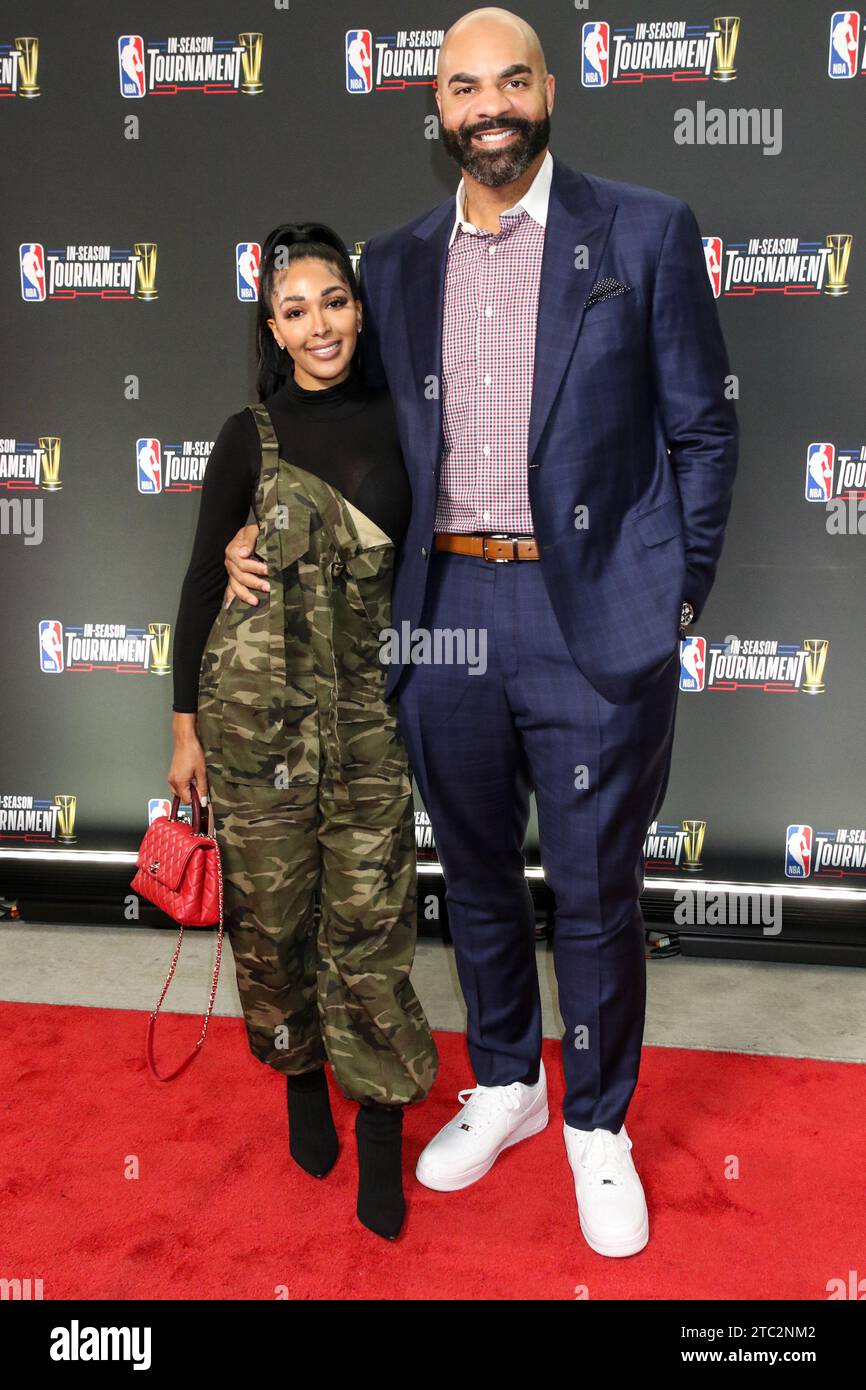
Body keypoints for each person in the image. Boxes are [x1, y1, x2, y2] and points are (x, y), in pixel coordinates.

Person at [223, 7, 739, 1258]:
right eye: (464, 87)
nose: (488, 104)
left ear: (548, 92)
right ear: (438, 110)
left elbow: (703, 432)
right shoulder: (394, 263)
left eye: (511, 80)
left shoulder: (643, 229)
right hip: (443, 611)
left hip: (591, 617)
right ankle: (505, 1078)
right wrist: (249, 527)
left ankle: (596, 1123)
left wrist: (672, 598)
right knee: (472, 870)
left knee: (595, 888)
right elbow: (330, 416)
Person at [167, 223, 438, 1241]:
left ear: (358, 311)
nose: (317, 324)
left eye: (333, 301)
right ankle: (297, 1084)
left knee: (370, 930)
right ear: (273, 328)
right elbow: (201, 581)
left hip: (369, 722)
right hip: (252, 727)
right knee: (273, 928)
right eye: (294, 309)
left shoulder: (407, 420)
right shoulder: (249, 434)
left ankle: (378, 1134)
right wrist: (185, 726)